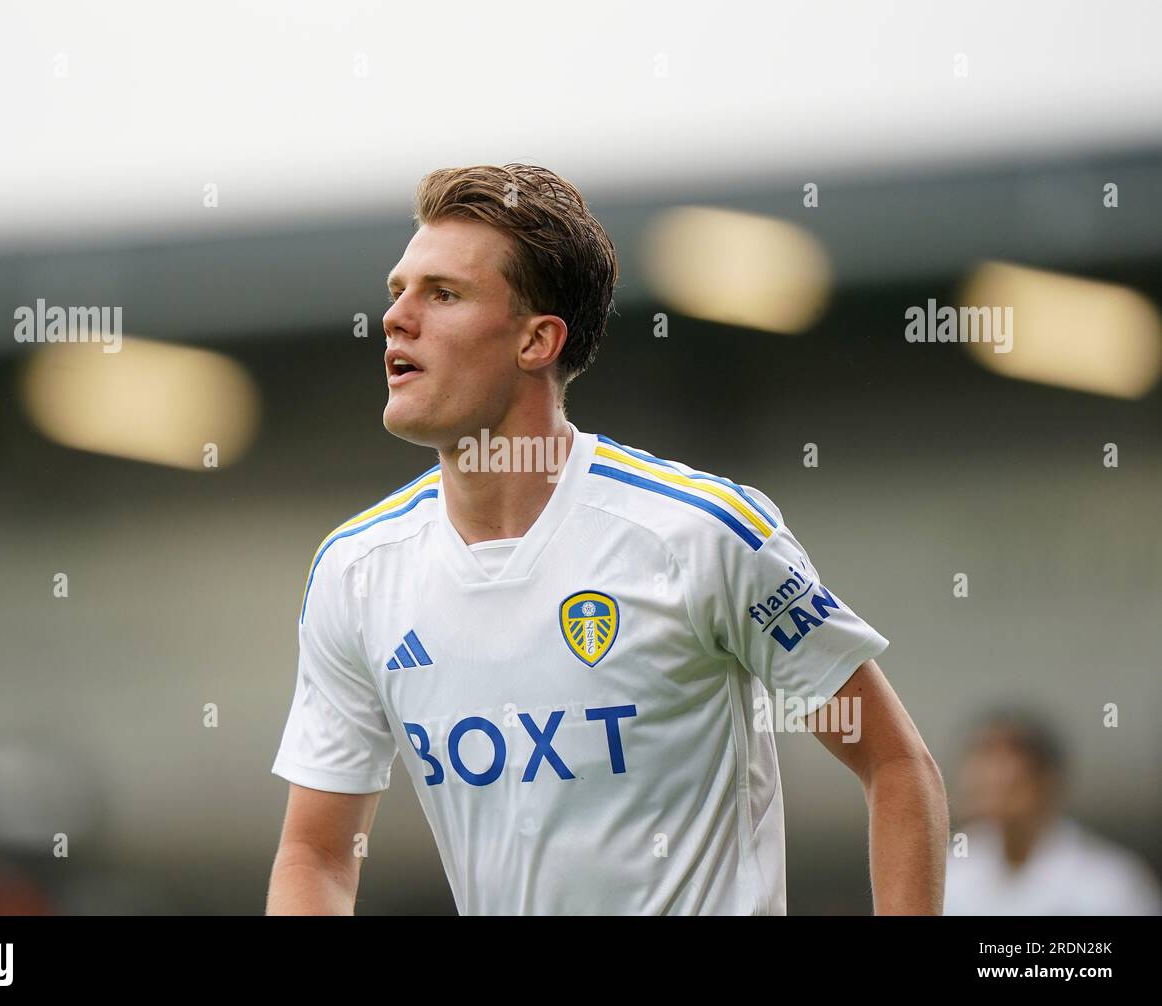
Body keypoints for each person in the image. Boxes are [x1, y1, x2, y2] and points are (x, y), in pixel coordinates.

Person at [266, 163, 947, 915]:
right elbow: (317, 853)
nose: (397, 317)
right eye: (398, 291)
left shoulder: (700, 534)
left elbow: (895, 766)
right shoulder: (357, 572)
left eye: (443, 294)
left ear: (537, 341)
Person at [944, 711, 1161, 915]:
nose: (990, 781)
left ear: (1046, 783)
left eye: (1010, 785)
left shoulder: (1110, 884)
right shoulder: (948, 873)